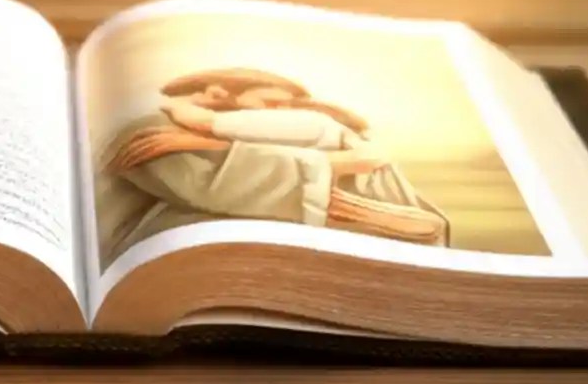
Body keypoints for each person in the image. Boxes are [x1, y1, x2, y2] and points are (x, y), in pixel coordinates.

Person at [96, 68, 450, 265]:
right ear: (218, 92)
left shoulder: (189, 131)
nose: (278, 116)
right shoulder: (148, 128)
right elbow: (217, 186)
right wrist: (331, 164)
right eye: (271, 104)